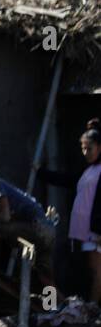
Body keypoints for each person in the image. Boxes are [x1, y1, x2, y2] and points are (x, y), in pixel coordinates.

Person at [68, 119, 101, 304]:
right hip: (88, 231)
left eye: (89, 148)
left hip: (96, 231)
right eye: (83, 148)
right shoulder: (90, 169)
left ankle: (92, 309)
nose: (85, 153)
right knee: (93, 270)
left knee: (97, 272)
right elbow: (68, 180)